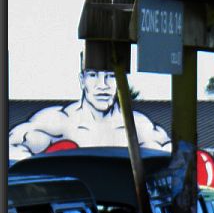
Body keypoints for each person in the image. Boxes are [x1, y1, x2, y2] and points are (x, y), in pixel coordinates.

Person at [8, 66, 171, 160]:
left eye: (111, 76)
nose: (103, 85)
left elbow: (174, 156)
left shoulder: (139, 126)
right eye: (93, 75)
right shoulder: (58, 122)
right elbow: (11, 147)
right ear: (82, 80)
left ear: (121, 80)